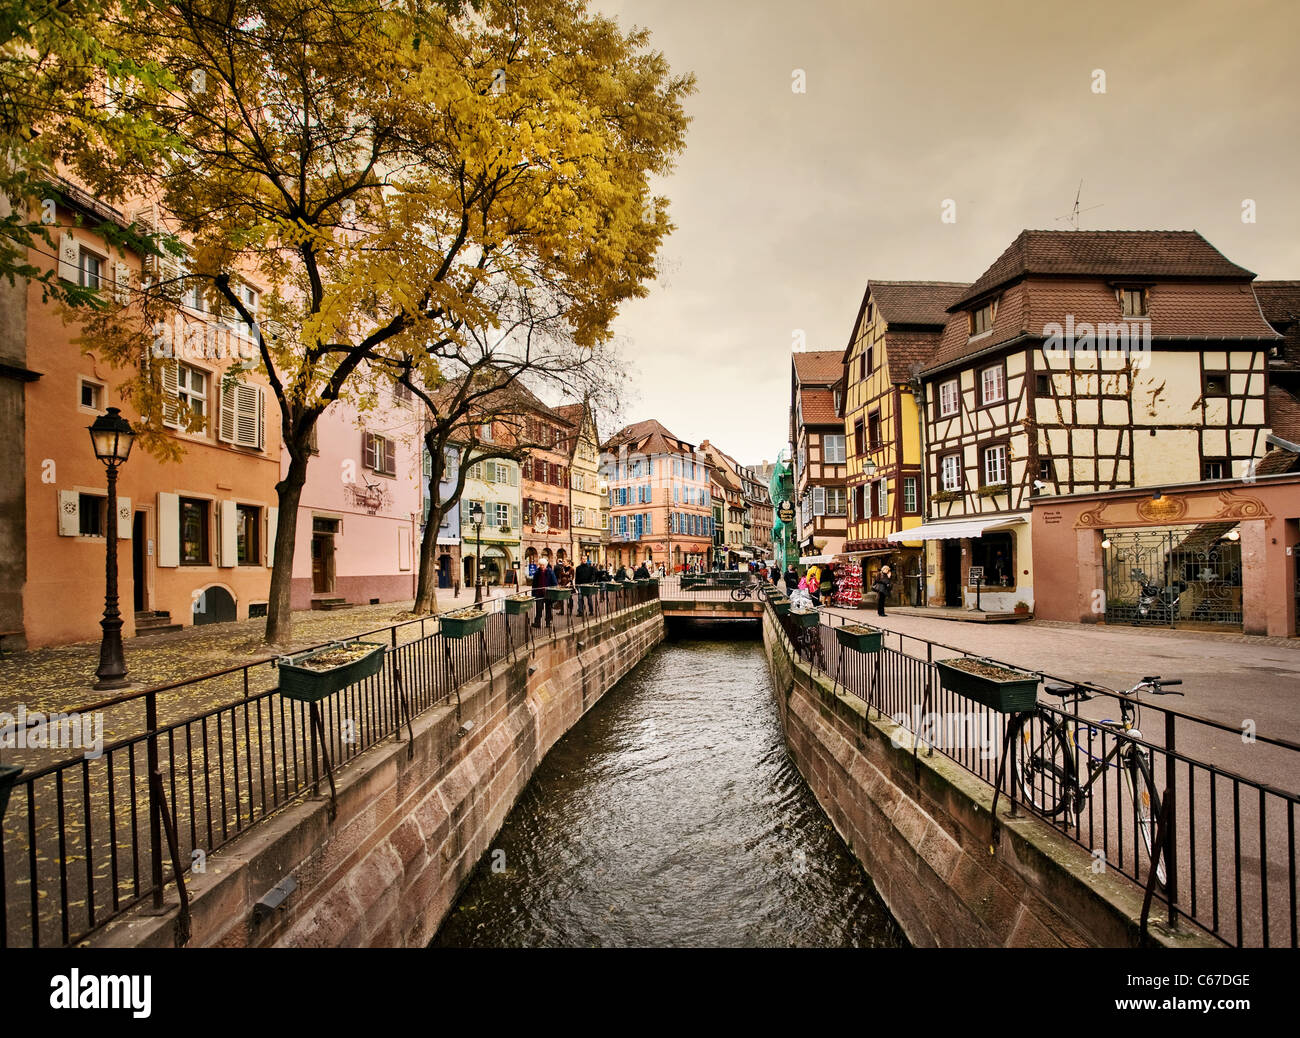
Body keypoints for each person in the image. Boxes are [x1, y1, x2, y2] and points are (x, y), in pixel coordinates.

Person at [531, 557, 555, 628]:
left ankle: (548, 623)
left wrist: (553, 592)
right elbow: (534, 584)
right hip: (539, 593)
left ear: (546, 565)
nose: (542, 566)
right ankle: (537, 623)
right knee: (538, 608)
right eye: (540, 565)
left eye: (543, 565)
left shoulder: (550, 572)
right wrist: (533, 594)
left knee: (548, 609)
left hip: (548, 593)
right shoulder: (537, 572)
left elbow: (554, 582)